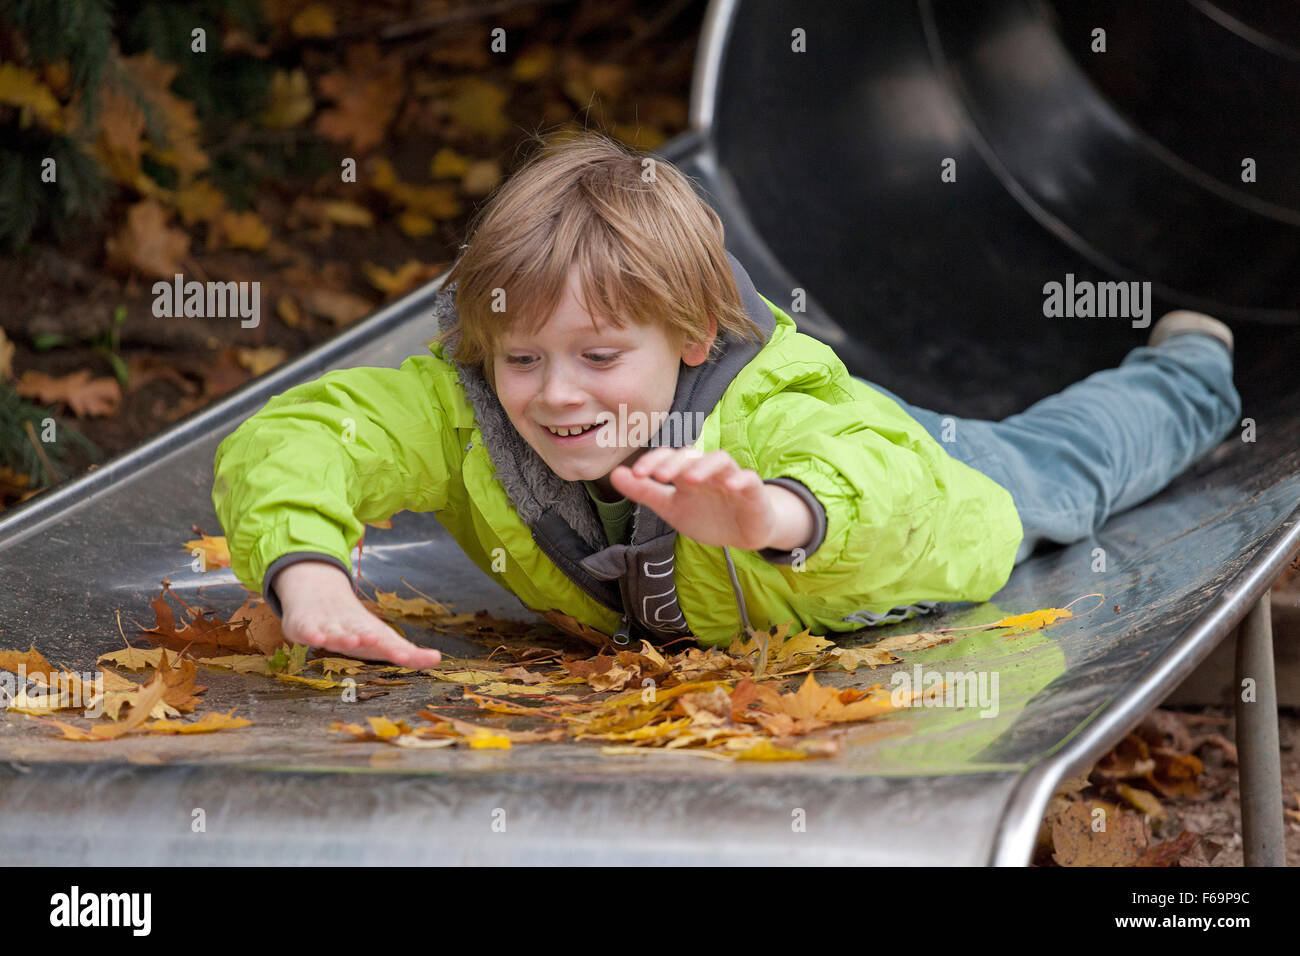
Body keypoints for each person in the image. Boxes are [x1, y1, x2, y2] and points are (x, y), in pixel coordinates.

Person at [211, 130, 1241, 667]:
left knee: (1071, 458)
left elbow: (889, 490)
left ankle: (1189, 370)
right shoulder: (463, 404)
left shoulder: (766, 409)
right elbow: (310, 434)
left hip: (928, 488)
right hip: (811, 476)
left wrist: (770, 514)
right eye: (520, 359)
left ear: (692, 335)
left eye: (600, 355)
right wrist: (305, 570)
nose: (555, 393)